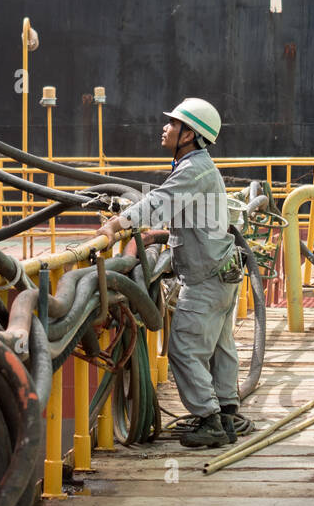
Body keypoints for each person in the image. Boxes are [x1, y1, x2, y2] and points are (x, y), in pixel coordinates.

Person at [94, 98, 243, 448]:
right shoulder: (197, 166)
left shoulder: (194, 170)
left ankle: (210, 421)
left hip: (205, 279)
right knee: (221, 347)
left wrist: (117, 224)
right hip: (221, 274)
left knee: (184, 348)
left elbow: (160, 202)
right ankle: (226, 414)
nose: (165, 128)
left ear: (189, 134)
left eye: (173, 124)